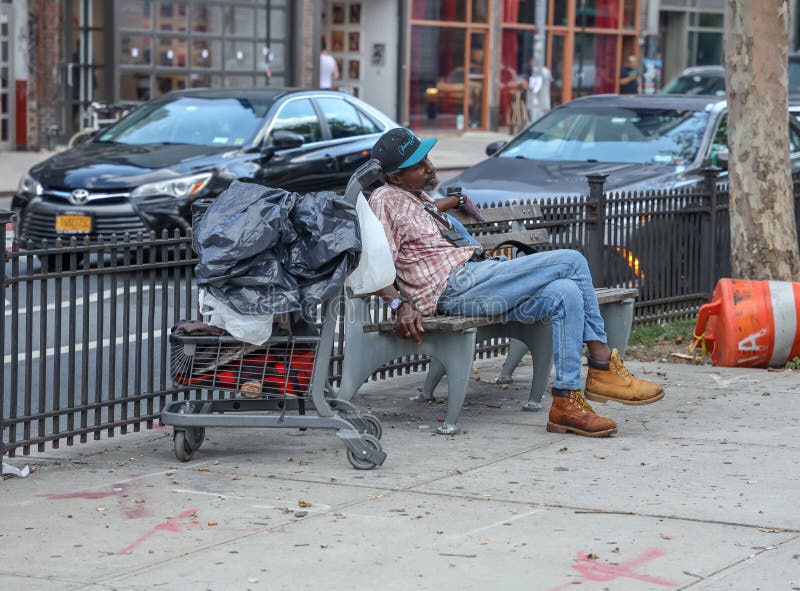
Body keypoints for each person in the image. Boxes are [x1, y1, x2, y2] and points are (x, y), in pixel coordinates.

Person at [368, 127, 664, 438]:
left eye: (427, 157)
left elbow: (423, 214)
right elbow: (374, 262)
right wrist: (397, 302)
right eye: (418, 165)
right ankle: (603, 365)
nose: (429, 166)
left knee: (565, 293)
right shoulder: (385, 199)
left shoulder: (412, 195)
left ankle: (566, 401)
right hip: (453, 286)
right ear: (396, 177)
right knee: (571, 261)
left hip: (475, 278)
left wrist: (456, 200)